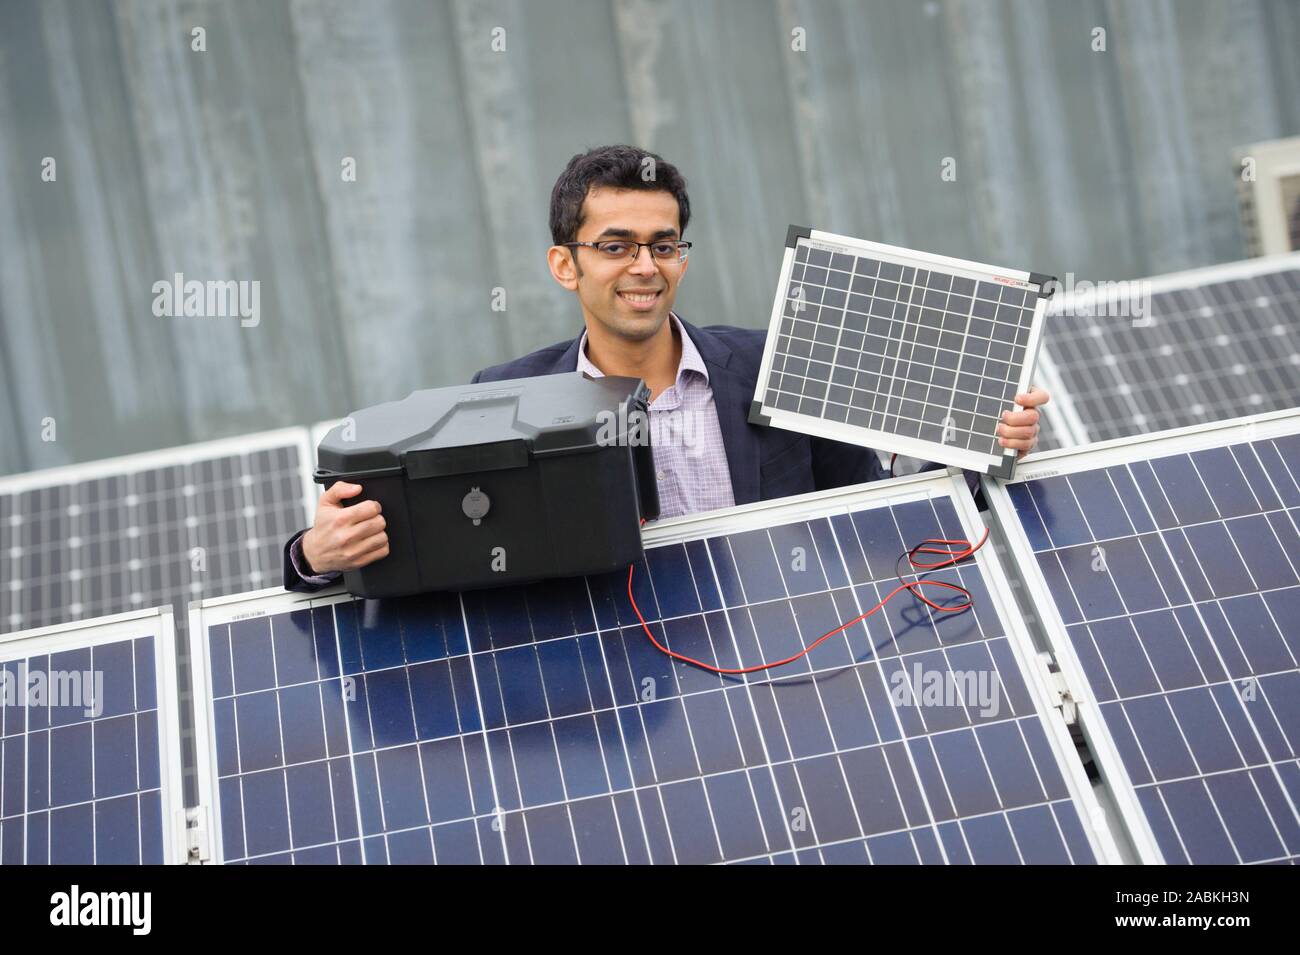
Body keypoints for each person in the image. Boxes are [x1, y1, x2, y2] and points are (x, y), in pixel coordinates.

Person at [283, 144, 1048, 592]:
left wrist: (982, 450)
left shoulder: (772, 362)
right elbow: (445, 562)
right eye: (615, 245)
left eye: (664, 243)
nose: (644, 266)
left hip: (794, 666)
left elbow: (886, 525)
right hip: (623, 710)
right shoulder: (506, 400)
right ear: (564, 264)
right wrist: (316, 555)